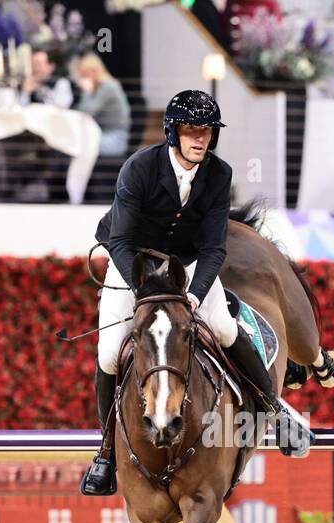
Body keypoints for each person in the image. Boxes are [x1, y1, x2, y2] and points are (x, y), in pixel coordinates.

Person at [80, 90, 311, 496]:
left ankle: (273, 408)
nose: (200, 138)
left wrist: (194, 293)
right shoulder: (139, 168)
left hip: (185, 262)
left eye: (206, 131)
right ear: (173, 132)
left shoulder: (218, 175)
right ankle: (105, 456)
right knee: (110, 352)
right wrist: (147, 291)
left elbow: (212, 249)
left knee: (222, 327)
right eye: (191, 130)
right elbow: (121, 240)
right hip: (131, 260)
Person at [75, 52, 131, 156]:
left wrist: (86, 92)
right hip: (101, 134)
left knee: (78, 145)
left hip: (115, 139)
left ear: (93, 72)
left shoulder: (108, 87)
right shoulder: (99, 88)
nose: (82, 79)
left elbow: (86, 113)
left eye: (84, 75)